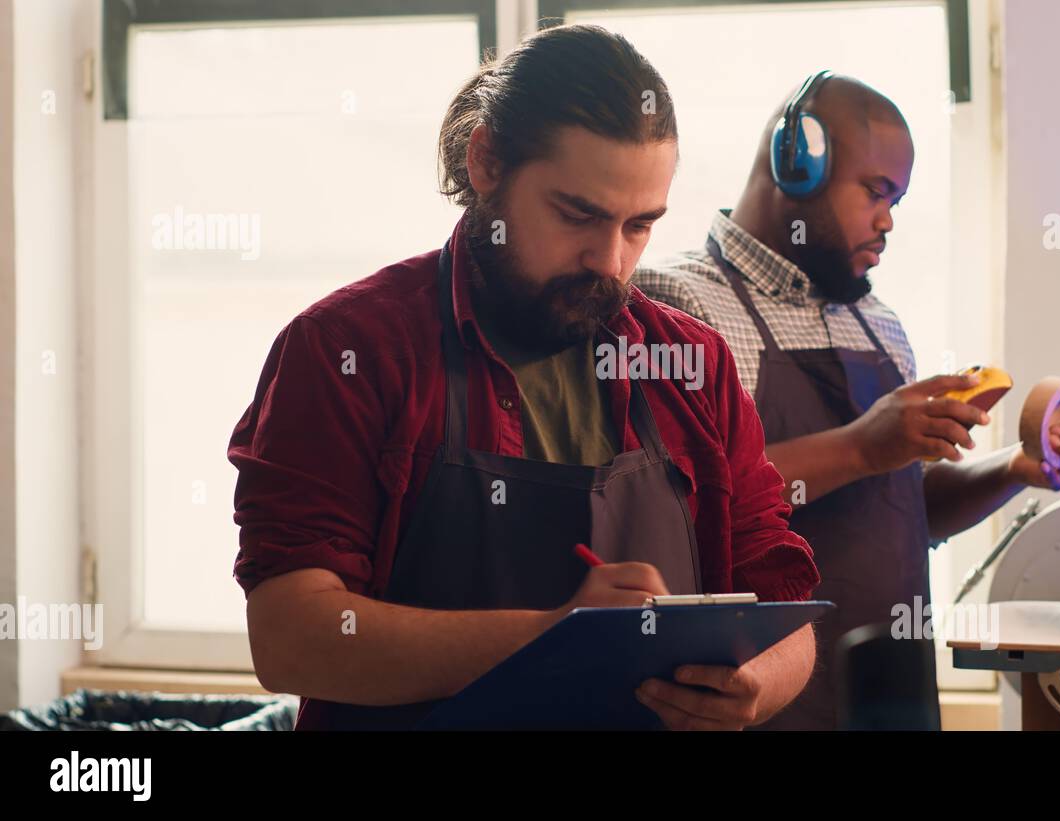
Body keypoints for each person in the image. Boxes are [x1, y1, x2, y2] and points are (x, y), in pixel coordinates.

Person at [228, 25, 820, 731]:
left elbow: (785, 612)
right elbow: (292, 635)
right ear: (486, 161)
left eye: (640, 226)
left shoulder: (693, 367)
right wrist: (557, 635)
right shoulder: (347, 351)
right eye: (578, 214)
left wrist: (754, 683)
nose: (610, 260)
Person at [635, 71, 1060, 730]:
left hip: (893, 700)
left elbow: (908, 511)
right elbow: (687, 508)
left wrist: (1017, 468)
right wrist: (864, 443)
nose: (888, 221)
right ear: (795, 165)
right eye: (875, 192)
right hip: (756, 704)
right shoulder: (683, 304)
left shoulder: (876, 321)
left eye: (899, 199)